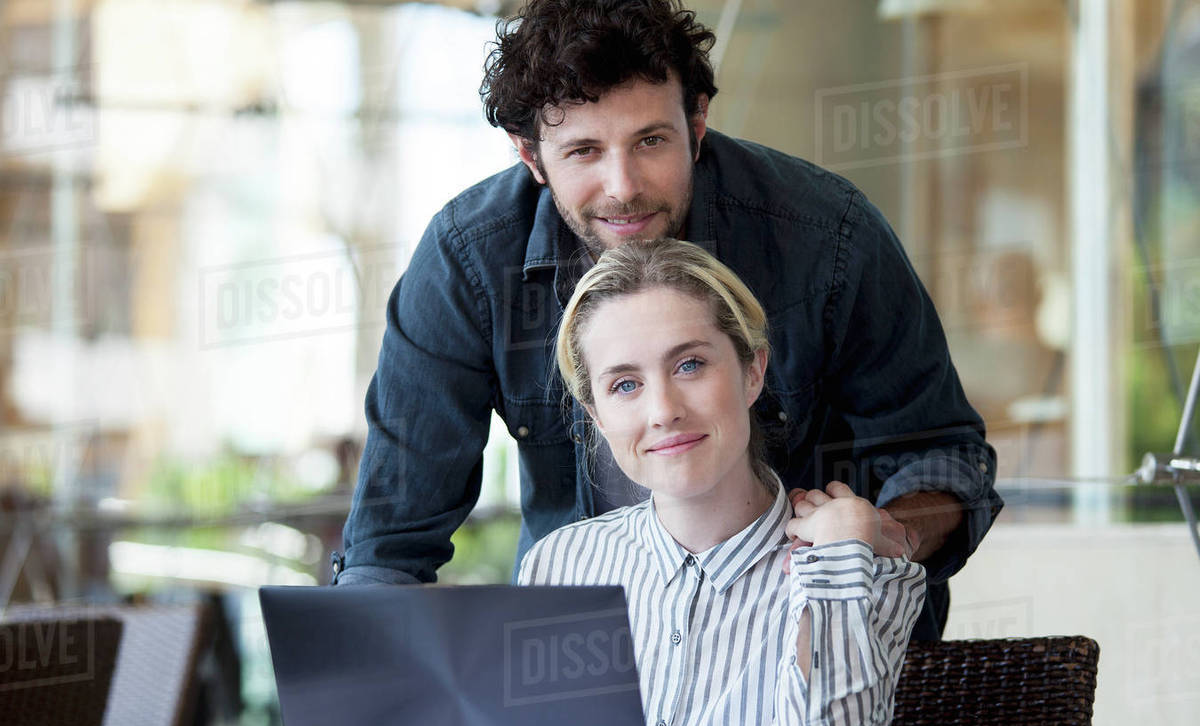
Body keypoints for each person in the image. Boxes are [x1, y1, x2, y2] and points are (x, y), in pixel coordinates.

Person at [334, 0, 1002, 642]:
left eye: (650, 140)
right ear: (531, 157)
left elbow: (945, 457)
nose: (623, 185)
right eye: (584, 152)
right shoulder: (468, 264)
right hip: (586, 660)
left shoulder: (828, 238)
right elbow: (389, 543)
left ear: (699, 121)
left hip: (822, 649)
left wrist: (885, 536)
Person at [518, 238, 926, 726]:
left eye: (690, 365)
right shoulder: (559, 566)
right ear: (596, 415)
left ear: (752, 371)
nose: (663, 411)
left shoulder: (860, 565)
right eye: (625, 385)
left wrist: (836, 561)